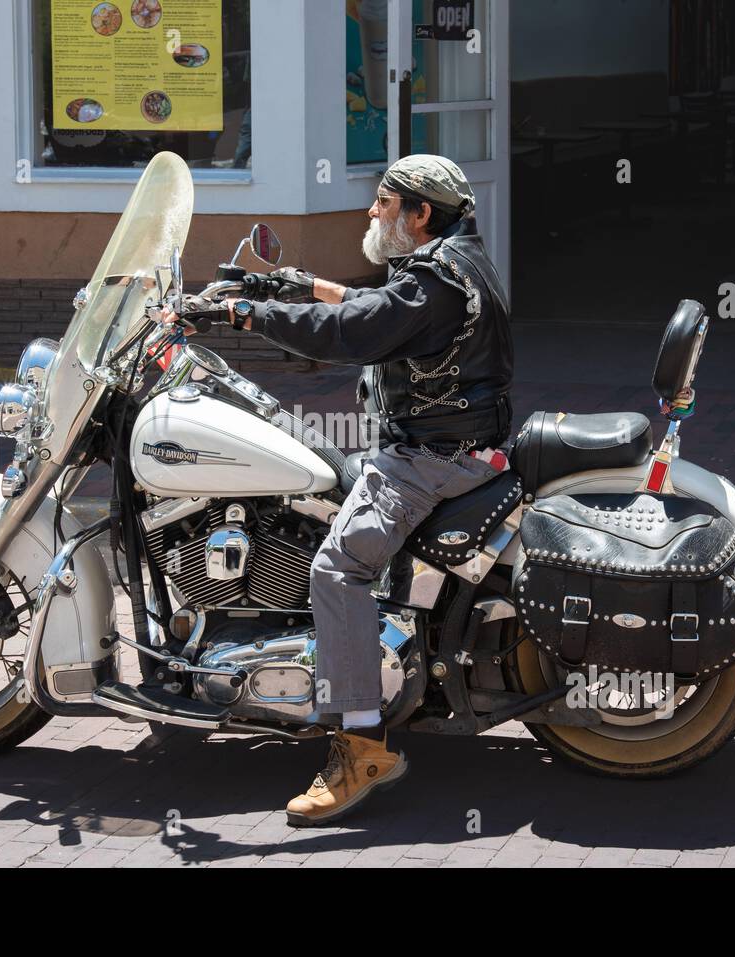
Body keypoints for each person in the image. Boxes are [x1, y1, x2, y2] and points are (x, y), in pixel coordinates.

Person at [168, 154, 513, 826]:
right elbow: (375, 308)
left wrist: (246, 313)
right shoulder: (455, 259)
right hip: (449, 446)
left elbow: (354, 332)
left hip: (430, 456)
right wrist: (301, 284)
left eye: (384, 202)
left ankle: (361, 746)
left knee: (337, 567)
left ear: (419, 214)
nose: (372, 213)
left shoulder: (434, 279)